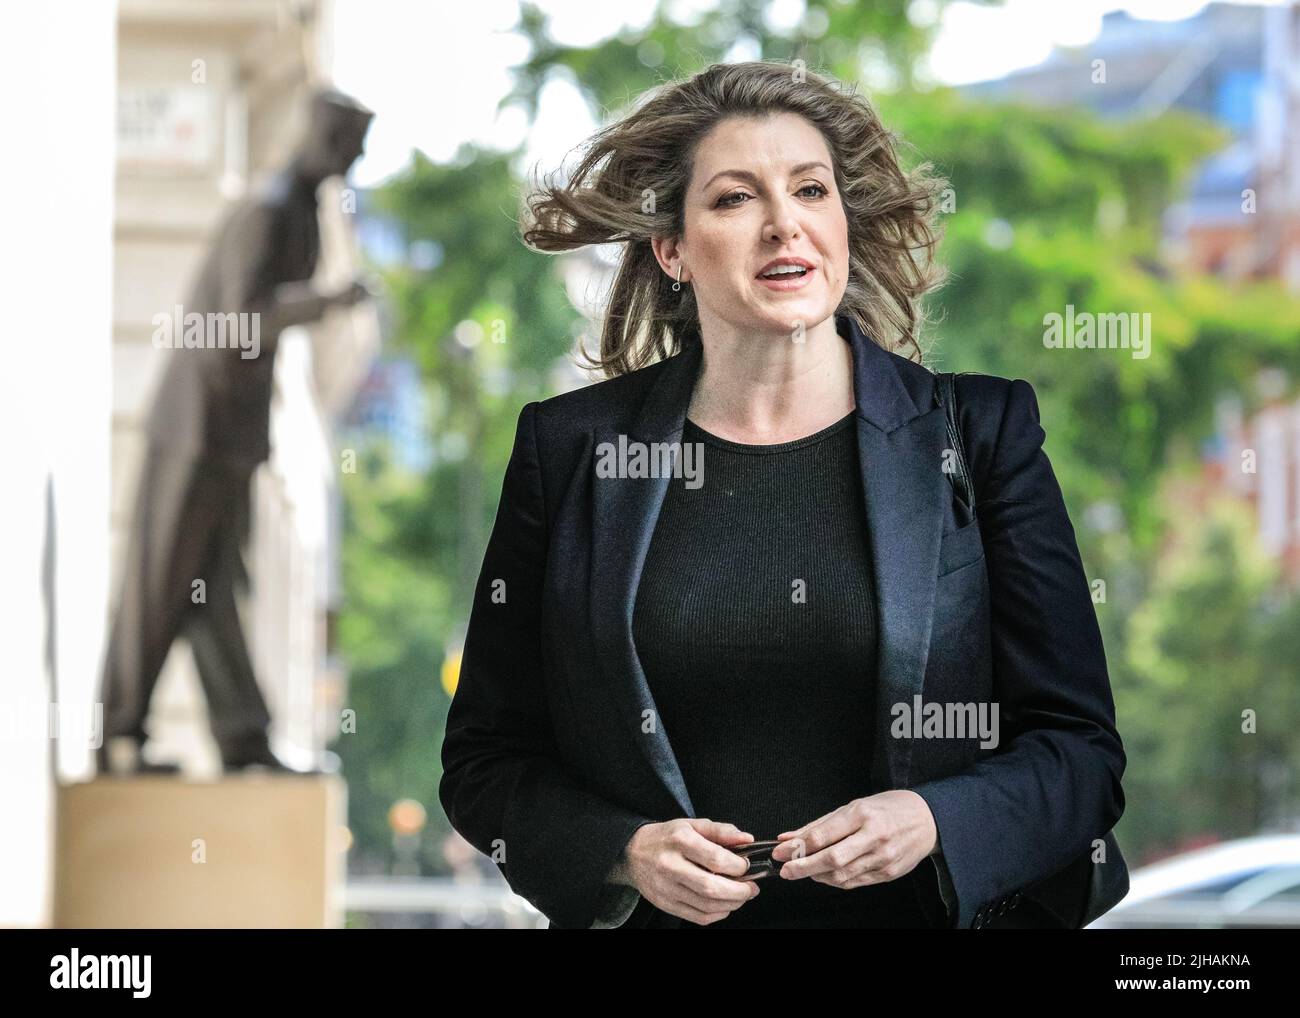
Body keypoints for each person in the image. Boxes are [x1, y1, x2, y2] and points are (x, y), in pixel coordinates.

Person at [439, 61, 1126, 928]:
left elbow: (1082, 754)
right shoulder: (570, 452)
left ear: (841, 222)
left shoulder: (981, 437)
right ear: (674, 249)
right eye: (734, 199)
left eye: (810, 190)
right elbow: (486, 762)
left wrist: (935, 820)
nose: (783, 225)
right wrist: (622, 850)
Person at [97, 89, 374, 776]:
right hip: (196, 429)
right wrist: (330, 300)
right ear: (319, 137)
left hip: (228, 435)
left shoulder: (298, 213)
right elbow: (242, 318)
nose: (357, 159)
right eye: (350, 144)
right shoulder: (270, 209)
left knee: (213, 584)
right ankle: (119, 734)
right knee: (163, 580)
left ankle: (243, 740)